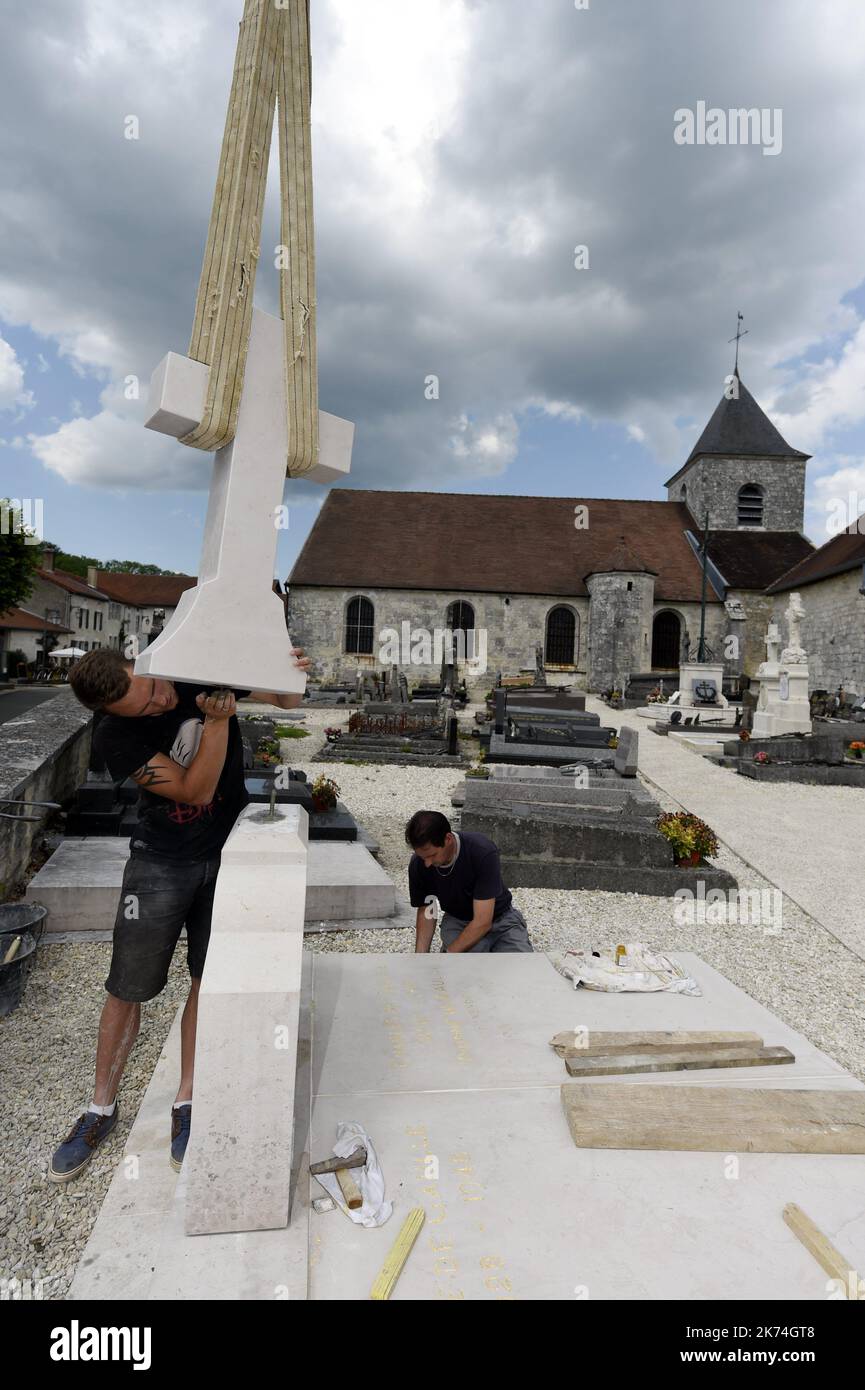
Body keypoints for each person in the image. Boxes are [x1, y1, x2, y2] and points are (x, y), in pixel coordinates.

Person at [49, 644, 310, 1182]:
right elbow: (195, 787)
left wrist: (283, 663)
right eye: (144, 709)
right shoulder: (114, 736)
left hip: (226, 852)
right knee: (128, 985)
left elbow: (285, 697)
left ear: (142, 666)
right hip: (161, 861)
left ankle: (187, 1100)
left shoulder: (192, 672)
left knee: (206, 979)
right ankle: (100, 1107)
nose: (159, 703)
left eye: (153, 691)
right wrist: (215, 724)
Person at [406, 810, 532, 954]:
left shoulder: (481, 851)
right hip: (458, 920)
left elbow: (483, 921)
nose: (427, 863)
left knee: (521, 966)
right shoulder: (418, 864)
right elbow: (428, 909)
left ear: (448, 839)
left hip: (501, 920)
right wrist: (421, 957)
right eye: (423, 857)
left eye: (432, 855)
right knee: (467, 967)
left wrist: (449, 953)